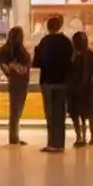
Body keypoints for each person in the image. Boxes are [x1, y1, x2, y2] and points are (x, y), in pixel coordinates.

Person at [33, 16, 74, 153]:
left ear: (48, 27)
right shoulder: (66, 42)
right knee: (60, 114)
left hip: (47, 81)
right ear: (59, 26)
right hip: (62, 81)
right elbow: (71, 61)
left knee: (50, 113)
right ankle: (60, 144)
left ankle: (51, 143)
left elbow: (37, 62)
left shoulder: (44, 42)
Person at [0, 26, 32, 146]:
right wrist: (13, 69)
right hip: (21, 82)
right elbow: (24, 67)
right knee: (16, 111)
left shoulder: (6, 49)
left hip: (15, 82)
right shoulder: (19, 51)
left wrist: (8, 71)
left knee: (15, 110)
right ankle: (14, 137)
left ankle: (14, 136)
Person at [67, 31, 93, 147]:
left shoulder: (71, 56)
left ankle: (80, 136)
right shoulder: (91, 55)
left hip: (75, 89)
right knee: (90, 114)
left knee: (76, 113)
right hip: (88, 88)